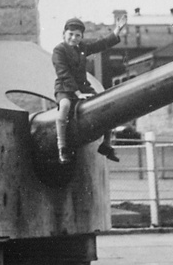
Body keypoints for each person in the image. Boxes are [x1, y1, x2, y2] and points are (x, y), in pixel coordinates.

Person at [52, 15, 127, 165]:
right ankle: (62, 147)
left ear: (81, 37)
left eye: (77, 35)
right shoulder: (59, 50)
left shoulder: (82, 48)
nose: (74, 38)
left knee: (105, 105)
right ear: (64, 34)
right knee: (65, 107)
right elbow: (63, 73)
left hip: (83, 87)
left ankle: (106, 144)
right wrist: (77, 93)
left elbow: (101, 44)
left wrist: (117, 30)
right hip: (65, 88)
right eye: (70, 34)